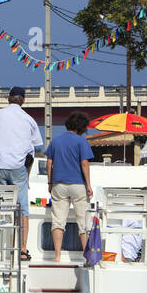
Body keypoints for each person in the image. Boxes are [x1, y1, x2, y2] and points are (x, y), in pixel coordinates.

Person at [0, 86, 44, 260]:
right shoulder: (29, 120)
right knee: (22, 209)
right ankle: (22, 250)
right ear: (23, 100)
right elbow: (32, 152)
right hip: (18, 168)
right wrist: (27, 176)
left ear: (8, 98)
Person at [45, 112, 95, 262]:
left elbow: (49, 163)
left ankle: (57, 255)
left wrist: (50, 182)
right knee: (83, 222)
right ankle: (86, 257)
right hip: (78, 184)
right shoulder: (81, 142)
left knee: (58, 220)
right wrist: (88, 184)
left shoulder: (55, 141)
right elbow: (84, 163)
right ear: (81, 127)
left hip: (59, 184)